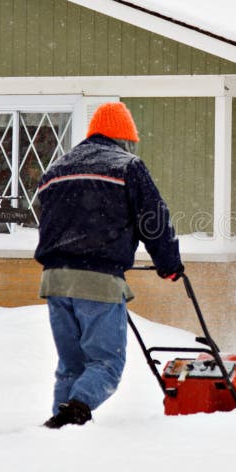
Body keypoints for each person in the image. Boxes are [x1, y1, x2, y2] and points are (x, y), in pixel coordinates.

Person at [35, 102, 184, 429]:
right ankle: (74, 413)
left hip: (55, 280)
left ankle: (59, 430)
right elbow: (153, 219)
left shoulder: (56, 169)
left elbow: (47, 221)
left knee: (71, 366)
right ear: (125, 139)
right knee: (106, 363)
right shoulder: (127, 166)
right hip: (98, 280)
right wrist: (169, 263)